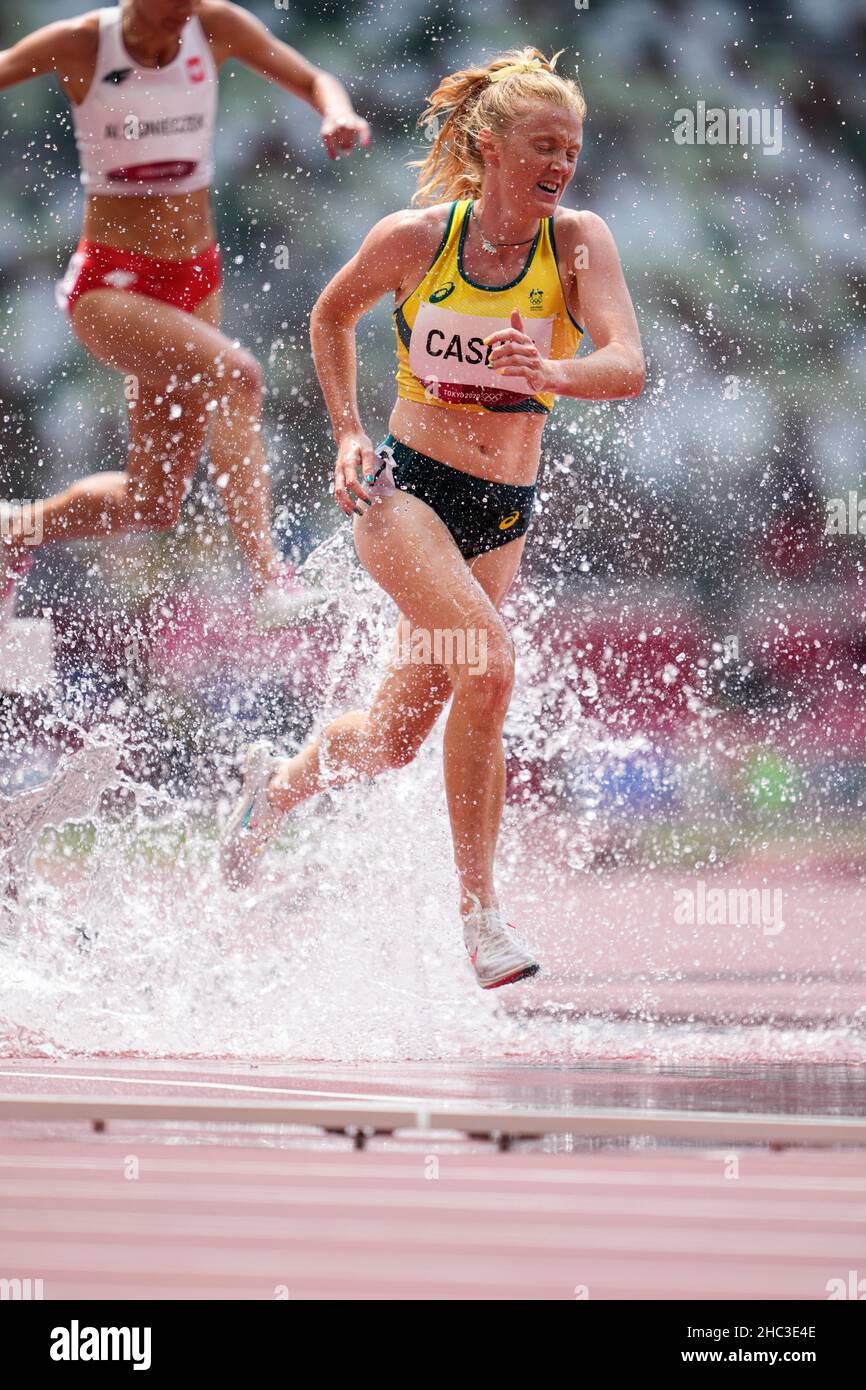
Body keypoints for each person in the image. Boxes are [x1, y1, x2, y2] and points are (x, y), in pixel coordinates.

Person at [221, 47, 645, 990]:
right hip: (404, 495)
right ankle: (481, 918)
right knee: (489, 668)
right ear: (491, 147)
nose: (562, 163)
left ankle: (275, 788)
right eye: (543, 145)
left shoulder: (578, 243)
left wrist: (553, 370)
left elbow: (627, 364)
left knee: (390, 739)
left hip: (502, 515)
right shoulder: (416, 239)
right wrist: (346, 432)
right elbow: (331, 317)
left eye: (571, 149)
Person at [0, 0, 369, 629]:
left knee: (151, 502)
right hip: (112, 283)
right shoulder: (82, 42)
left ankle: (17, 529)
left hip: (196, 279)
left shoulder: (214, 24)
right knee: (238, 375)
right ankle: (269, 580)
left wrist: (337, 113)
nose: (185, 11)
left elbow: (314, 79)